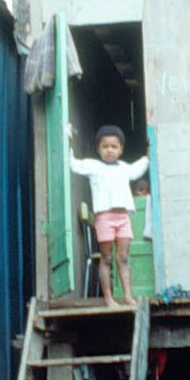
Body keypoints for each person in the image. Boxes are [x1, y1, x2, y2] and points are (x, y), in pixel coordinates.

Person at [69, 123, 149, 307]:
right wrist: (69, 143)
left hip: (123, 219)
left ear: (121, 149)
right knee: (106, 258)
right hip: (104, 218)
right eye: (105, 146)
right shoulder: (93, 166)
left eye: (114, 146)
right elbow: (73, 165)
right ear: (98, 149)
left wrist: (149, 153)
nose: (110, 150)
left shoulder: (125, 168)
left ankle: (128, 296)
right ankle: (109, 298)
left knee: (123, 258)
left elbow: (140, 166)